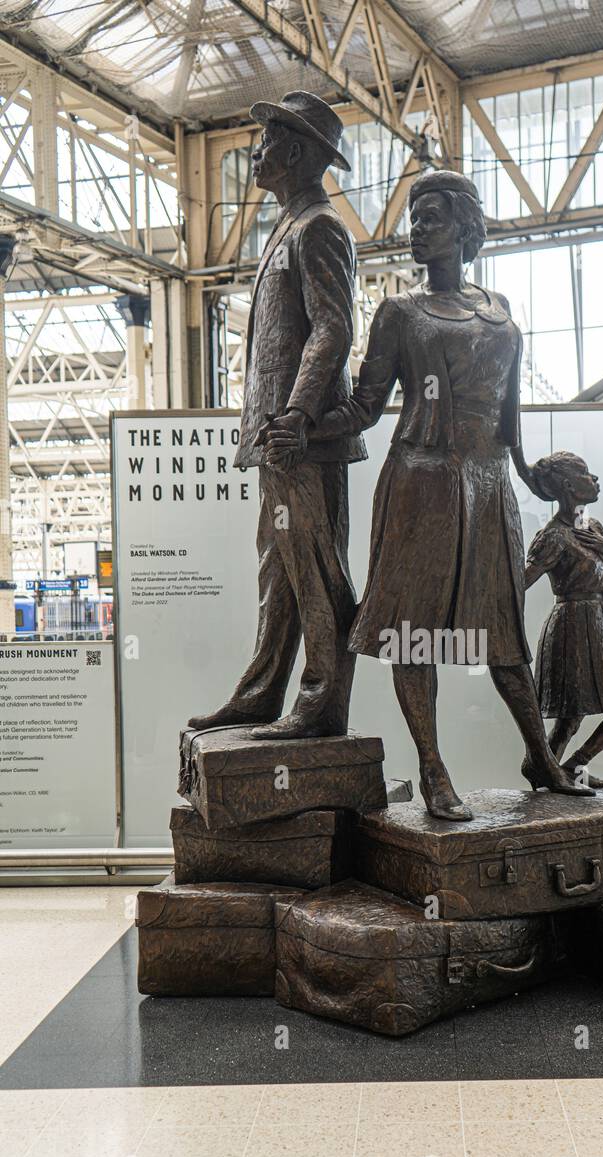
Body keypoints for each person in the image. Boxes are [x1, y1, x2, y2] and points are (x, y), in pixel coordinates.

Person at [283, 168, 591, 818]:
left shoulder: (501, 310)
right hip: (419, 485)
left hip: (489, 488)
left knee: (503, 632)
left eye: (431, 216)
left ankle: (541, 756)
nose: (417, 228)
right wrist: (304, 426)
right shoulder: (399, 313)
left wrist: (537, 476)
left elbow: (509, 417)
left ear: (464, 227)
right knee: (413, 630)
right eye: (414, 217)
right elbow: (366, 406)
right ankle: (432, 769)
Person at [188, 92, 365, 740]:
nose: (256, 150)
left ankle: (320, 704)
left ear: (293, 152)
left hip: (302, 441)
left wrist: (295, 414)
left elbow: (333, 330)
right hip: (279, 442)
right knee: (280, 568)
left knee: (316, 570)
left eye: (265, 140)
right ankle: (263, 693)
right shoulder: (290, 227)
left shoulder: (319, 227)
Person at [524, 451, 603, 787]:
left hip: (597, 621)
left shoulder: (593, 528)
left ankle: (557, 766)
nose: (595, 480)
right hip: (572, 626)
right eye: (586, 475)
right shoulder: (554, 535)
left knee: (600, 712)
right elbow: (522, 581)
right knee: (576, 715)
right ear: (568, 485)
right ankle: (550, 768)